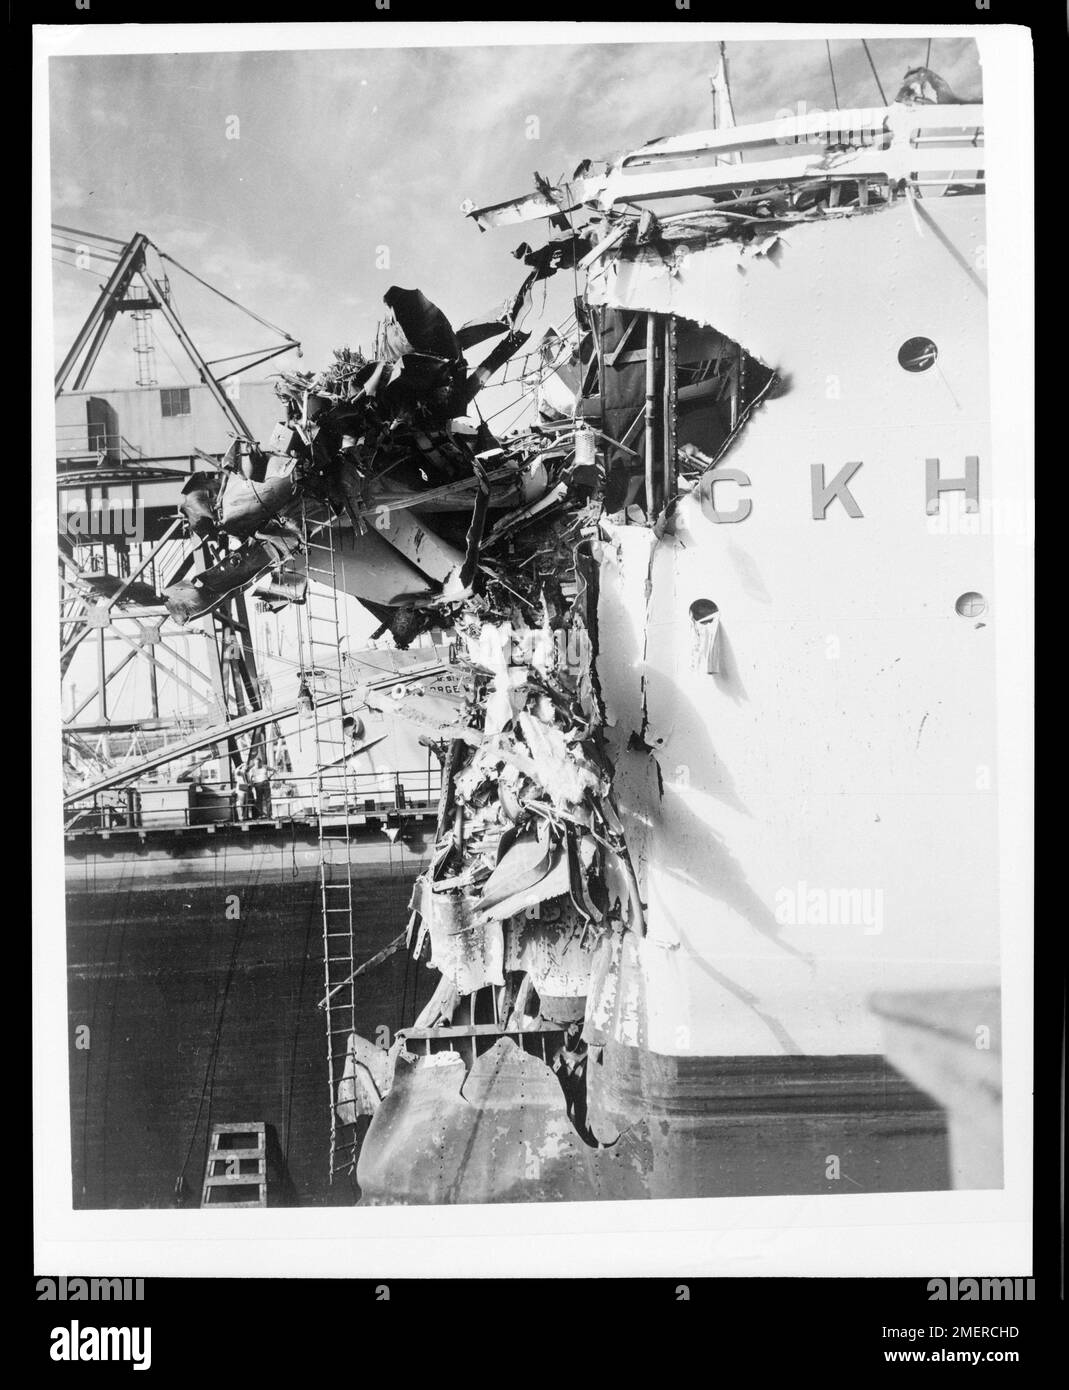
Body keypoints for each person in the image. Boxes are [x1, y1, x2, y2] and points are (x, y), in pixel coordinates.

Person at [249, 755, 272, 820]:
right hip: (258, 784)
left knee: (268, 799)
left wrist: (269, 777)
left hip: (265, 783)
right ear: (254, 763)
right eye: (256, 763)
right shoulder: (252, 770)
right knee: (259, 800)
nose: (257, 764)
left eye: (258, 763)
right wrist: (252, 785)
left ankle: (269, 815)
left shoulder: (264, 767)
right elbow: (250, 779)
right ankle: (260, 814)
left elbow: (273, 770)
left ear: (260, 762)